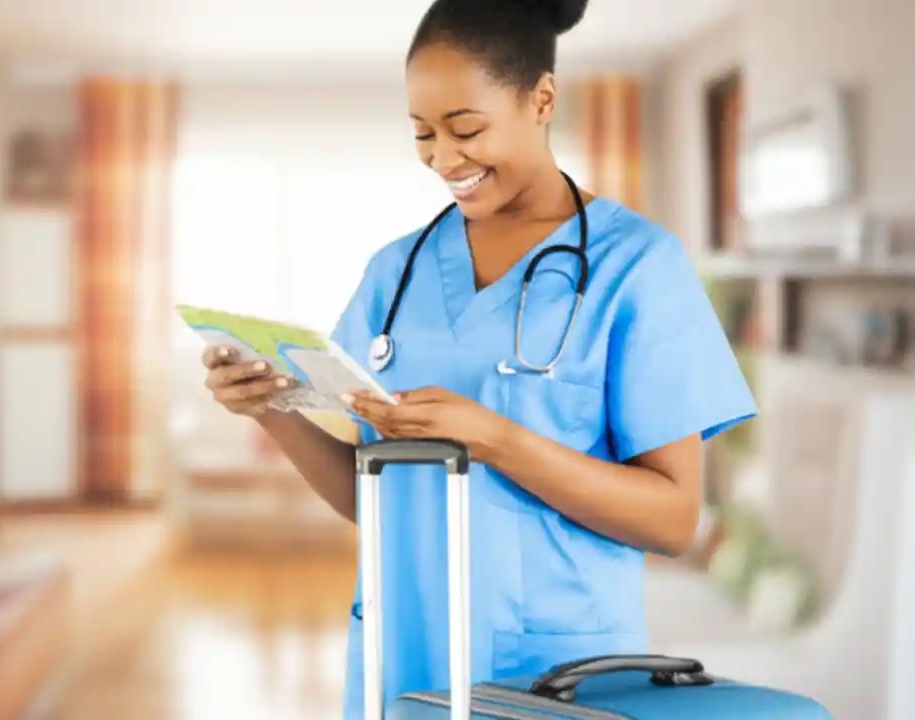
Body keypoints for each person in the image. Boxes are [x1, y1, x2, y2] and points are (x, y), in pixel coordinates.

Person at [198, 0, 758, 716]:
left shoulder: (636, 266)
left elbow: (674, 521)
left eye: (465, 129)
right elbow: (374, 498)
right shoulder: (395, 273)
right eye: (422, 133)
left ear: (542, 100)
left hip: (555, 672)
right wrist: (271, 410)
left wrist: (495, 440)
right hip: (400, 658)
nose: (442, 158)